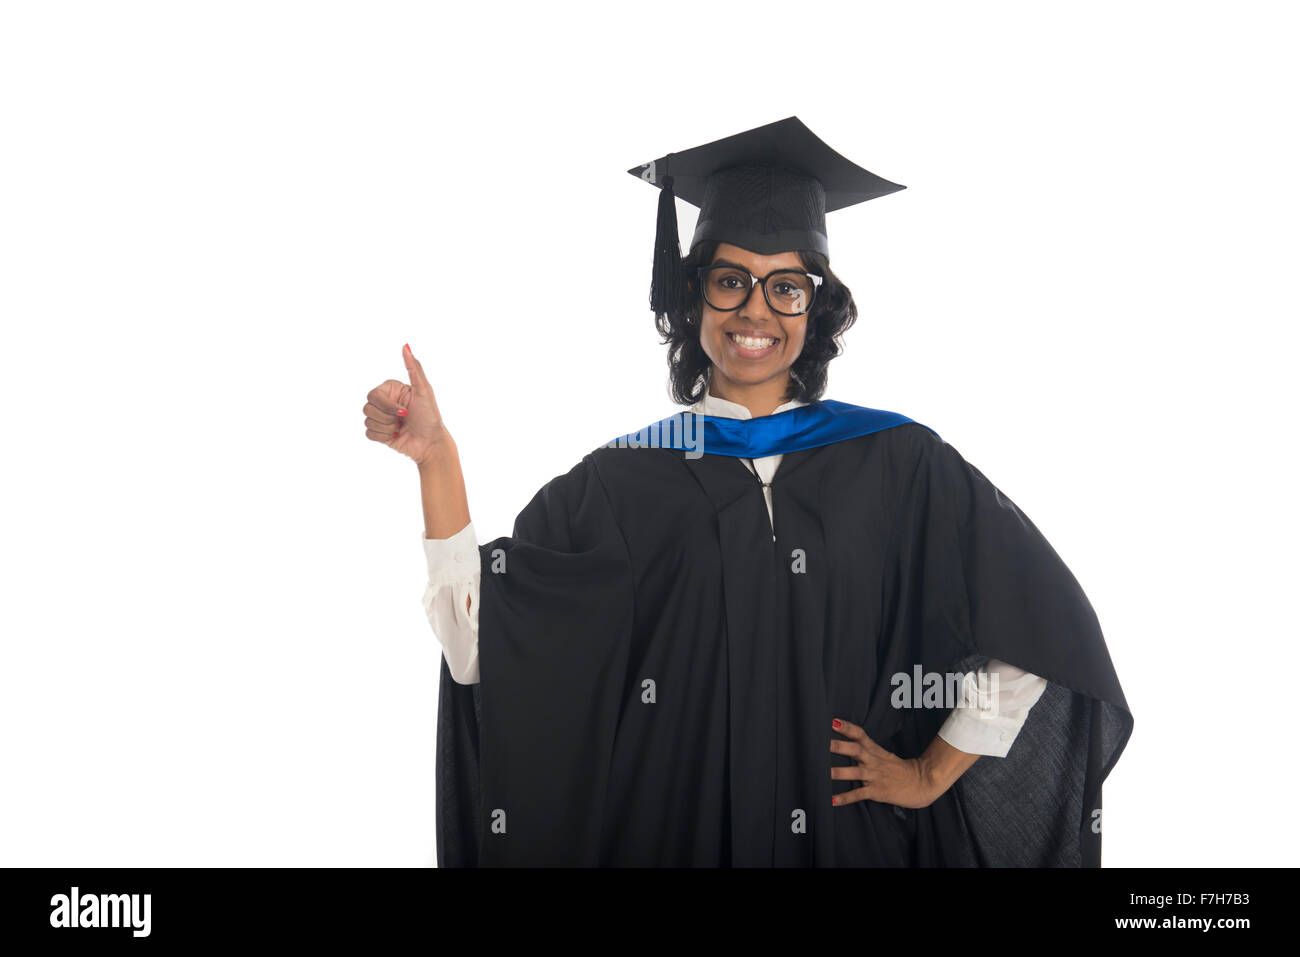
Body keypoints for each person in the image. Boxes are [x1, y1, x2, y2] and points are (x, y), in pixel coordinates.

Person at [363, 117, 1133, 867]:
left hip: (854, 841)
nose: (756, 310)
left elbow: (1042, 626)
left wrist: (931, 770)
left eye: (785, 287)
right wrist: (438, 461)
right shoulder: (620, 483)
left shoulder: (898, 463)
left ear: (816, 304)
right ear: (692, 295)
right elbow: (480, 653)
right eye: (731, 282)